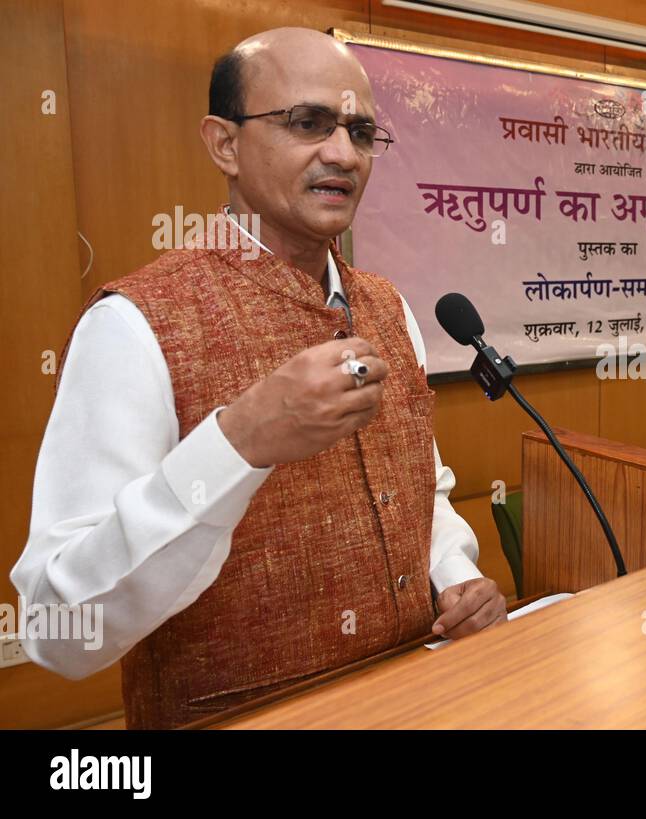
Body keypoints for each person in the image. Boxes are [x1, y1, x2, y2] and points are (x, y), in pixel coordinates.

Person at [10, 28, 505, 729]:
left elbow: (420, 490)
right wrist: (236, 442)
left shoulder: (387, 305)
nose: (342, 153)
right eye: (307, 123)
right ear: (224, 145)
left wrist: (455, 576)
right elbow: (56, 631)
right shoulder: (134, 324)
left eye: (361, 131)